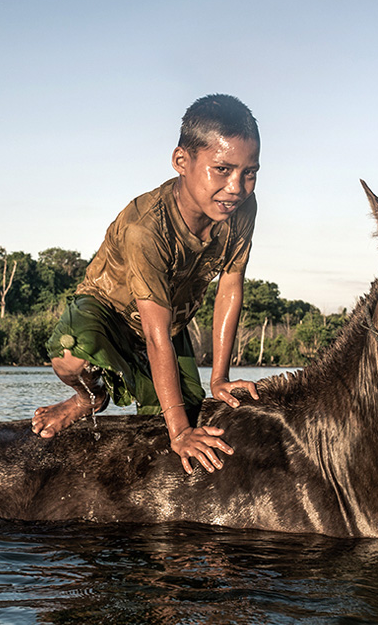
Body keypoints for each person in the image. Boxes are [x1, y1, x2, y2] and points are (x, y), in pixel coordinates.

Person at [32, 94, 261, 474]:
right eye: (222, 169)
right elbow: (155, 337)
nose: (236, 187)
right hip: (110, 313)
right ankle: (87, 397)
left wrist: (219, 378)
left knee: (180, 410)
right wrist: (180, 433)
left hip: (169, 323)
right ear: (181, 161)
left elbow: (230, 288)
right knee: (69, 355)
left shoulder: (241, 210)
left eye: (249, 172)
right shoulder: (146, 227)